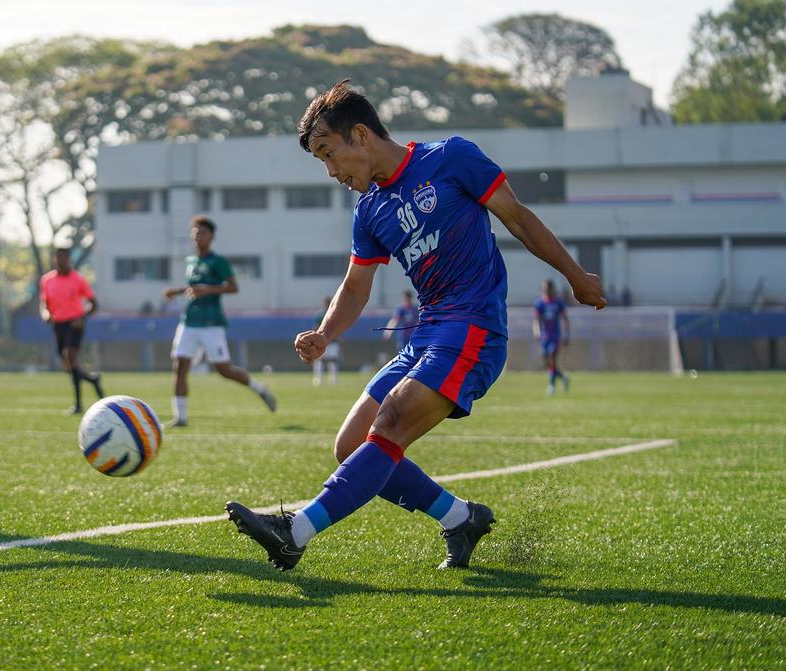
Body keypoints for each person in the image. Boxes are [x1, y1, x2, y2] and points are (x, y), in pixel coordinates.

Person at [225, 80, 605, 570]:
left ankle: (294, 530)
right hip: (427, 334)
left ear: (360, 135)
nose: (330, 171)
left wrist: (575, 276)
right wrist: (325, 332)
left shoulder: (451, 158)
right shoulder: (369, 209)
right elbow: (356, 286)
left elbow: (517, 217)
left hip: (474, 328)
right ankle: (460, 518)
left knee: (390, 425)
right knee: (350, 446)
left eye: (328, 153)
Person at [162, 216, 276, 427]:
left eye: (202, 232)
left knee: (224, 370)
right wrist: (176, 291)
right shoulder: (191, 261)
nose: (198, 236)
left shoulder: (218, 261)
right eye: (195, 232)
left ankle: (260, 389)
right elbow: (194, 288)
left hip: (211, 323)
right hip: (189, 321)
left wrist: (208, 289)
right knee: (180, 366)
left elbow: (233, 287)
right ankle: (181, 418)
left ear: (211, 237)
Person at [39, 247, 104, 414]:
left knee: (70, 357)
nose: (61, 260)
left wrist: (82, 318)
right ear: (54, 259)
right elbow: (44, 305)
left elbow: (93, 304)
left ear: (69, 259)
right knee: (68, 366)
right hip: (58, 325)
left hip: (74, 324)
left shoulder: (78, 280)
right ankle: (92, 380)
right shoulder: (47, 280)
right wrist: (46, 314)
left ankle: (78, 404)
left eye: (64, 257)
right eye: (58, 256)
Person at [534, 279, 570, 395]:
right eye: (544, 288)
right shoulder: (540, 303)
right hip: (545, 336)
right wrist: (537, 331)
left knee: (552, 358)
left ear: (552, 289)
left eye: (548, 288)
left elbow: (565, 319)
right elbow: (536, 320)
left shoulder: (558, 302)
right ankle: (563, 377)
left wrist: (566, 335)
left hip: (556, 336)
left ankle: (551, 386)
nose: (546, 290)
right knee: (546, 362)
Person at [312, 297, 340, 385]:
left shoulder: (334, 314)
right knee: (321, 360)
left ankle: (332, 379)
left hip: (330, 341)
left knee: (331, 361)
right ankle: (320, 379)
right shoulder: (321, 315)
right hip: (325, 341)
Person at [383, 290, 419, 354]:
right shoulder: (401, 308)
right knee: (402, 351)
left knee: (413, 351)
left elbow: (418, 321)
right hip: (403, 335)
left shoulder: (414, 308)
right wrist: (388, 330)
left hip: (412, 334)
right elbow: (395, 320)